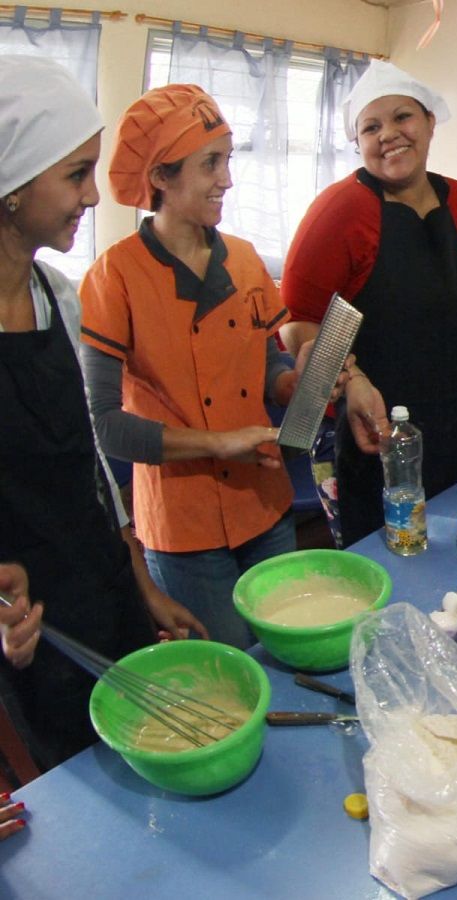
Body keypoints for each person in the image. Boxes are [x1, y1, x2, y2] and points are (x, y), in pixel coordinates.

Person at [0, 58, 204, 769]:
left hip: (101, 585)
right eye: (76, 174)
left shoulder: (57, 297)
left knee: (143, 758)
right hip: (28, 622)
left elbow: (90, 465)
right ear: (14, 187)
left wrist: (140, 582)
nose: (94, 193)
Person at [280, 61, 457, 547]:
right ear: (357, 142)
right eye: (371, 127)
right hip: (375, 430)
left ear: (429, 123)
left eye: (403, 118)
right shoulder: (339, 212)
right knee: (387, 564)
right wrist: (351, 382)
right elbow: (297, 325)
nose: (389, 135)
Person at [79, 85, 299, 649]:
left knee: (287, 652)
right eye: (211, 163)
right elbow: (104, 424)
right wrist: (218, 442)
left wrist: (292, 380)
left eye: (227, 160)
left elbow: (267, 356)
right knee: (227, 679)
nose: (227, 179)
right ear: (160, 176)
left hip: (265, 503)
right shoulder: (116, 277)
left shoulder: (245, 259)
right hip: (184, 529)